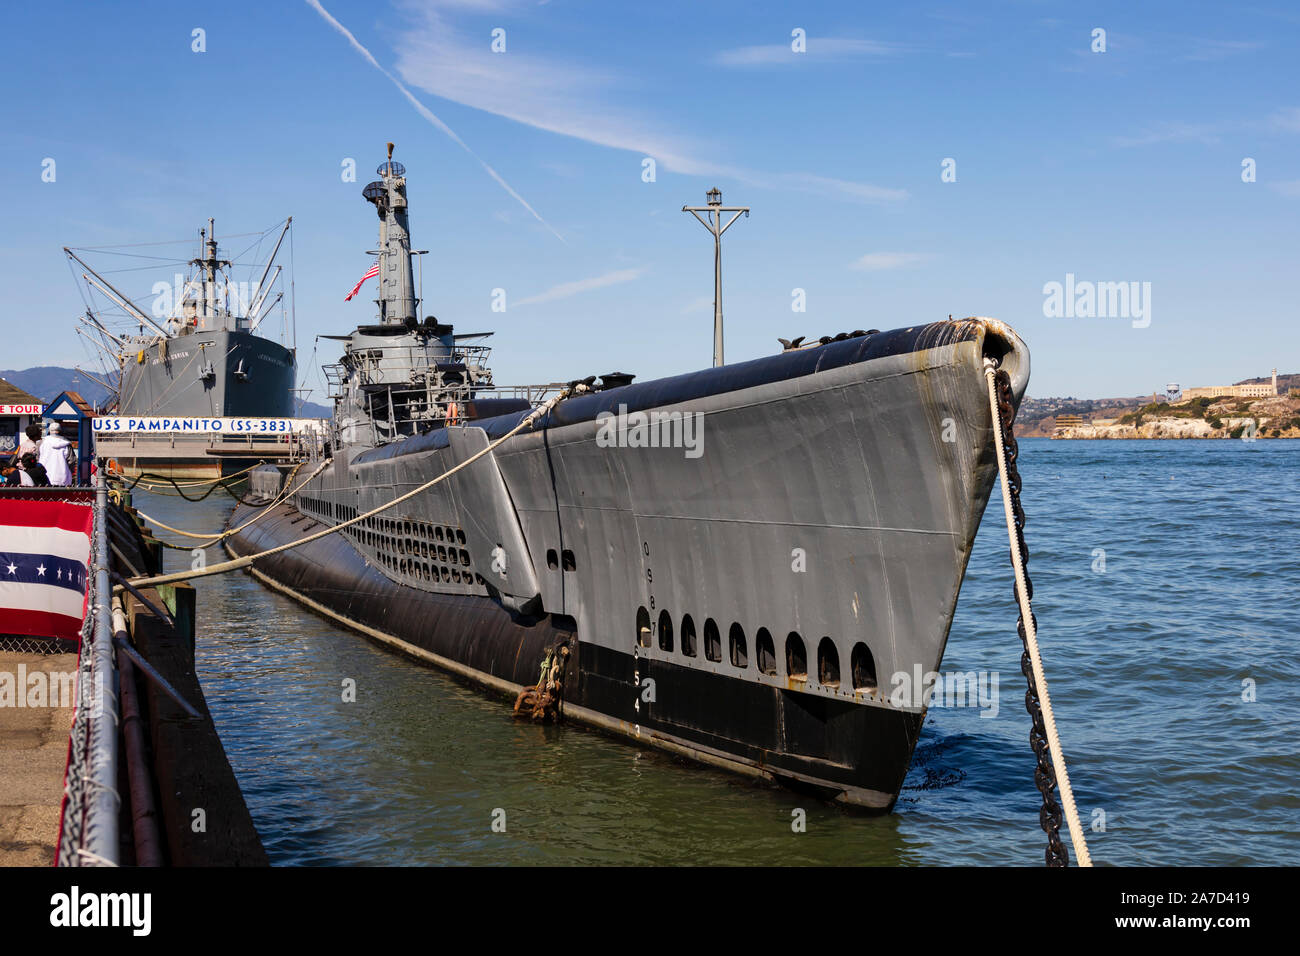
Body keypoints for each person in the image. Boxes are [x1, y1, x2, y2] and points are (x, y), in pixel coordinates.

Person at [38, 421, 73, 486]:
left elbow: (38, 458)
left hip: (45, 476)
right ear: (60, 431)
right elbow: (71, 461)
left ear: (49, 431)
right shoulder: (66, 444)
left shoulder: (42, 443)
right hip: (62, 478)